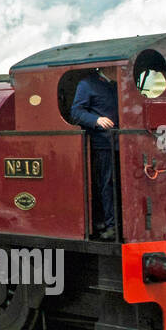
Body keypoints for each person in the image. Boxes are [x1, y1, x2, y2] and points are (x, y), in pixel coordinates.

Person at [71, 67, 119, 241]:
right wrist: (96, 120)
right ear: (106, 67)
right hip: (103, 143)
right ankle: (110, 225)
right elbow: (76, 112)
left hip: (122, 142)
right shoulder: (87, 84)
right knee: (107, 184)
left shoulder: (116, 85)